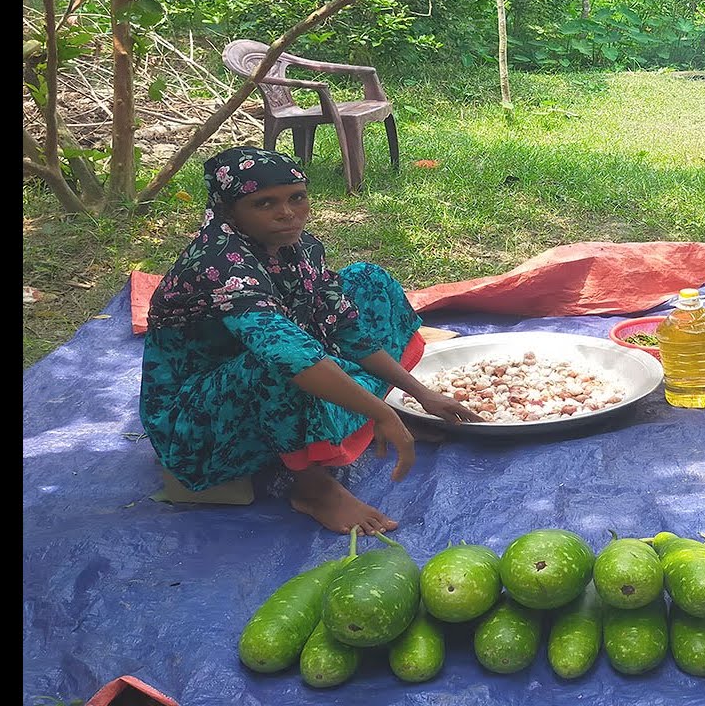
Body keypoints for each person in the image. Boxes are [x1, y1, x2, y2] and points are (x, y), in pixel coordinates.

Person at [139, 146, 481, 535]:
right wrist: (383, 413)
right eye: (264, 203)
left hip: (261, 368)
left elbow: (344, 327)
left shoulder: (298, 248)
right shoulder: (218, 263)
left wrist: (419, 393)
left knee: (368, 281)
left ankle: (369, 416)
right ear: (230, 211)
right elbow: (286, 352)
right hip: (200, 418)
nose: (287, 213)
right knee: (279, 359)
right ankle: (313, 488)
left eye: (297, 197)